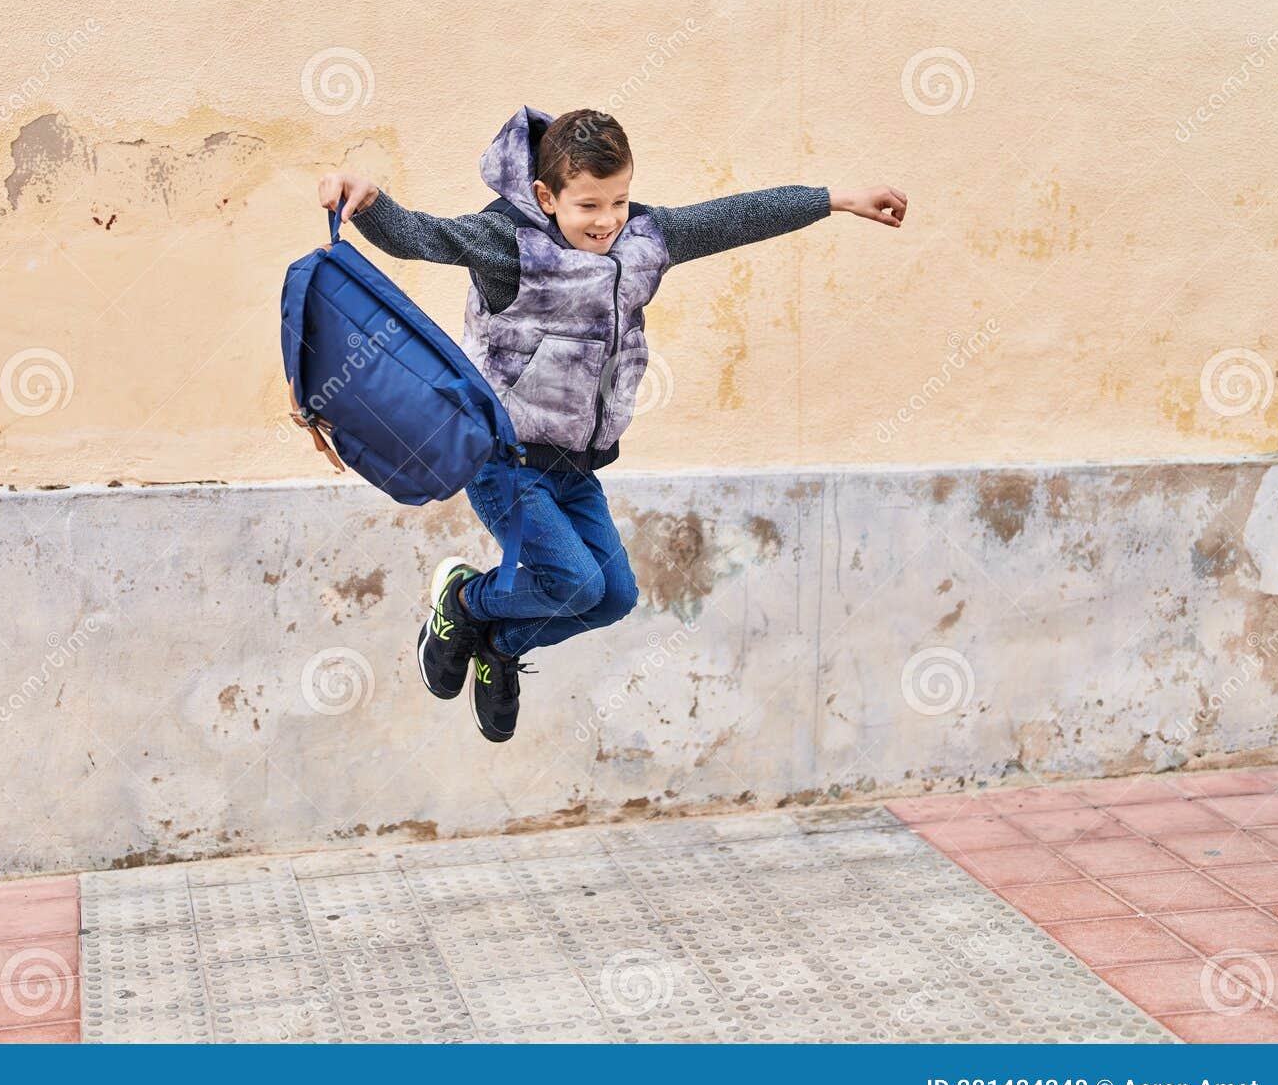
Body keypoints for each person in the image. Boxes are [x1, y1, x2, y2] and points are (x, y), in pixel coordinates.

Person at [318, 106, 906, 742]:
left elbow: (736, 217)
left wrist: (838, 199)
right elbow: (424, 236)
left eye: (619, 201)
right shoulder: (508, 245)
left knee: (613, 596)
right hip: (505, 459)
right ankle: (463, 601)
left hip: (576, 467)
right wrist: (370, 201)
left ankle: (499, 645)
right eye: (589, 206)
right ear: (547, 196)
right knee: (573, 580)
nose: (607, 222)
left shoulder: (647, 239)